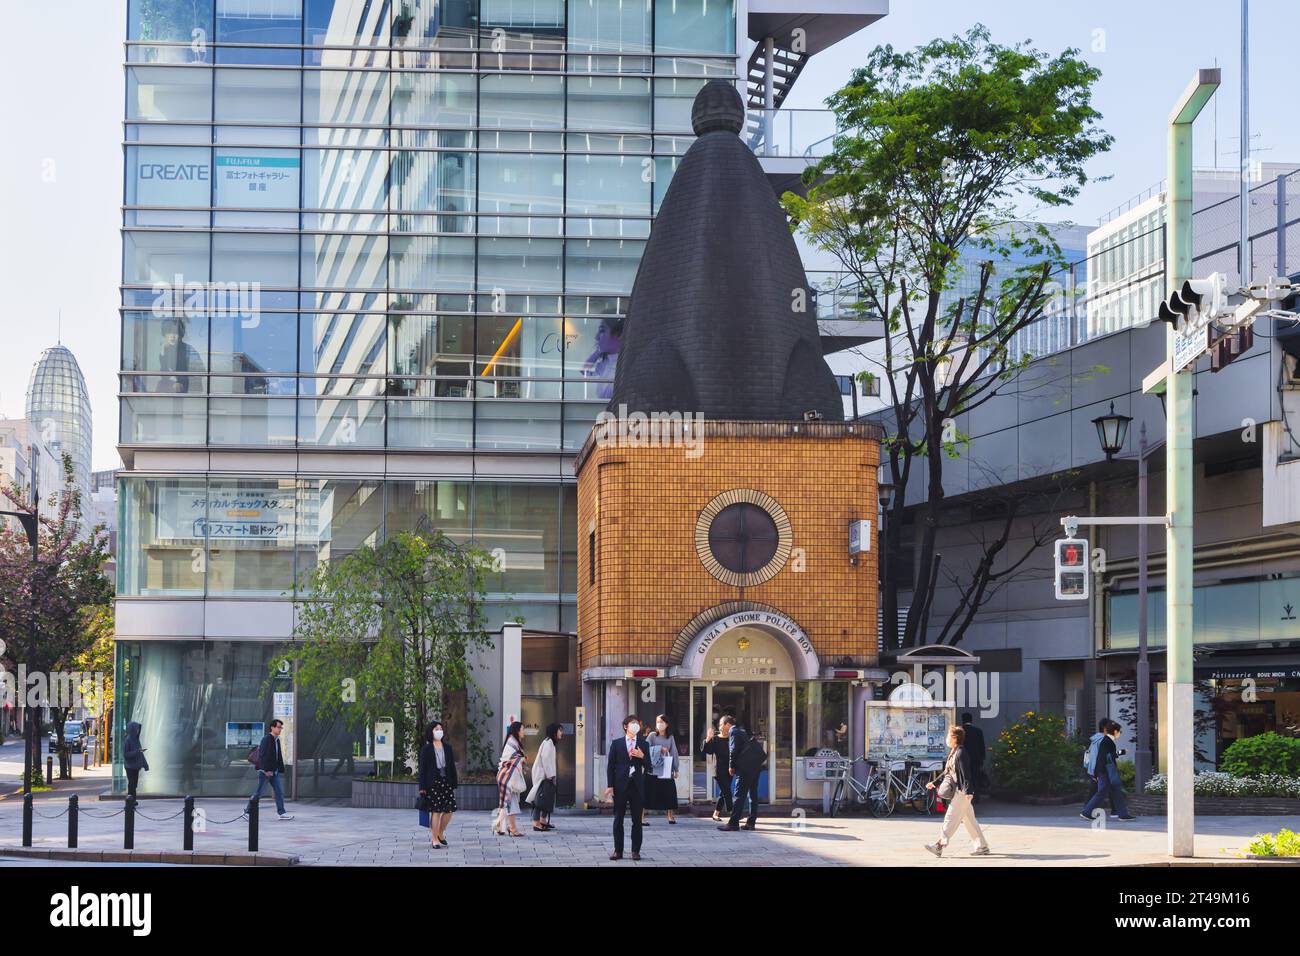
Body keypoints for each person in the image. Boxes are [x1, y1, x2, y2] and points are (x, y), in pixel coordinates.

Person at [924, 725, 989, 857]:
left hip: (962, 792)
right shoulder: (954, 751)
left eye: (949, 736)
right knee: (970, 820)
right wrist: (934, 783)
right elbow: (947, 772)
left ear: (954, 738)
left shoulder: (961, 752)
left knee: (950, 818)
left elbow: (966, 774)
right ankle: (982, 846)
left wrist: (969, 792)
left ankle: (939, 846)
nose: (947, 738)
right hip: (961, 792)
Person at [604, 714, 651, 860]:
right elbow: (611, 766)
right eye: (632, 723)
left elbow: (649, 766)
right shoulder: (617, 743)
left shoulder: (644, 744)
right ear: (626, 726)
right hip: (620, 786)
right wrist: (610, 785)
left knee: (637, 820)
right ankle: (618, 851)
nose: (635, 725)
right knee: (618, 819)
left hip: (636, 786)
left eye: (637, 723)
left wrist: (642, 756)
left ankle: (635, 851)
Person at [1081, 719, 1136, 822]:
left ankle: (1122, 814)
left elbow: (1102, 756)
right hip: (1106, 771)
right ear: (1114, 732)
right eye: (1119, 731)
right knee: (1102, 792)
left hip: (1104, 771)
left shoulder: (1106, 740)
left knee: (1115, 791)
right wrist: (1121, 752)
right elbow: (1106, 757)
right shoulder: (1107, 741)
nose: (1119, 733)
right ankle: (1087, 812)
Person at [418, 721, 458, 848]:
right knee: (436, 811)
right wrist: (422, 787)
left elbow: (451, 766)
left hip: (446, 781)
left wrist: (454, 782)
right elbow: (423, 769)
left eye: (441, 729)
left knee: (450, 810)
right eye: (436, 729)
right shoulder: (426, 749)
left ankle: (440, 832)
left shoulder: (447, 747)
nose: (439, 731)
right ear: (431, 732)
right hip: (433, 783)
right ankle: (434, 838)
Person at [719, 715, 762, 832]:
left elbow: (733, 751)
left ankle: (733, 823)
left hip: (745, 768)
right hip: (755, 766)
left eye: (721, 724)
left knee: (739, 795)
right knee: (753, 794)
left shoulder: (733, 732)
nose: (720, 728)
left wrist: (731, 766)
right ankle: (751, 822)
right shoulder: (742, 732)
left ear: (728, 724)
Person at [248, 719, 293, 821]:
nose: (280, 729)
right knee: (259, 793)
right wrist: (265, 770)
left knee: (279, 792)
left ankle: (281, 813)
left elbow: (277, 756)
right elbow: (262, 755)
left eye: (281, 727)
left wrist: (279, 768)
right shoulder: (267, 739)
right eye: (278, 727)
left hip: (274, 771)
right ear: (272, 727)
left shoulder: (276, 740)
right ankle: (247, 812)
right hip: (265, 772)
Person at [643, 714, 679, 825]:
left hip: (666, 769)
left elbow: (674, 752)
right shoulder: (652, 735)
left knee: (669, 792)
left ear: (667, 724)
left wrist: (676, 769)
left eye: (662, 722)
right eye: (658, 722)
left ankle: (670, 816)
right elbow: (645, 748)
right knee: (647, 793)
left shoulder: (670, 737)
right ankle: (642, 817)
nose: (659, 724)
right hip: (653, 769)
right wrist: (659, 749)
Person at [494, 721, 528, 837]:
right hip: (508, 778)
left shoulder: (513, 742)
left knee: (506, 803)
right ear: (517, 730)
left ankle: (499, 827)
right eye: (523, 729)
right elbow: (510, 761)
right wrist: (521, 759)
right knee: (510, 803)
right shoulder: (512, 743)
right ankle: (513, 829)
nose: (524, 731)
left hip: (508, 777)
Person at [528, 723, 562, 832]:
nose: (561, 733)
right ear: (554, 732)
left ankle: (542, 820)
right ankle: (536, 823)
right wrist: (550, 775)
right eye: (559, 730)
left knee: (546, 798)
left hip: (545, 774)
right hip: (544, 775)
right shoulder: (548, 743)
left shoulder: (550, 742)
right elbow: (546, 760)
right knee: (541, 799)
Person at [701, 720, 732, 822]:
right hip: (718, 770)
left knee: (724, 792)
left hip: (730, 769)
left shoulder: (732, 738)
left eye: (723, 724)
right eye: (721, 725)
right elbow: (707, 751)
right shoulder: (715, 739)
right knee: (726, 790)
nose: (721, 727)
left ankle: (716, 813)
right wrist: (708, 738)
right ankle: (732, 811)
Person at [961, 712, 987, 803]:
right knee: (975, 777)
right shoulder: (978, 731)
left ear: (963, 720)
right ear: (971, 720)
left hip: (964, 759)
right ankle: (976, 797)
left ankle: (966, 796)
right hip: (976, 759)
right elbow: (982, 746)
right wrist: (982, 758)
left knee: (965, 777)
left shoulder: (961, 731)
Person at [123, 721, 149, 799]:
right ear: (133, 729)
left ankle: (132, 800)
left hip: (135, 766)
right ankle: (130, 800)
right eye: (137, 729)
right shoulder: (128, 740)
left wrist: (145, 765)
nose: (138, 730)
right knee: (132, 784)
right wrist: (137, 752)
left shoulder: (136, 739)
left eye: (138, 729)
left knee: (134, 784)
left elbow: (140, 753)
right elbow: (126, 754)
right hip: (130, 766)